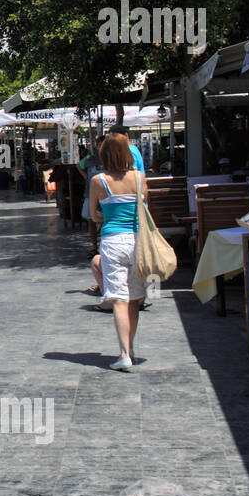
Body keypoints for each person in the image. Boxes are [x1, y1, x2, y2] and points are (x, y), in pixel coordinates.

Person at [90, 133, 148, 371]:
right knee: (134, 300)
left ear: (103, 154)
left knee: (119, 299)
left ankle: (124, 354)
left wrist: (106, 213)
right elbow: (145, 210)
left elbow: (94, 215)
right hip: (137, 242)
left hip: (113, 241)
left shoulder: (98, 181)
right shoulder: (139, 178)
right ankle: (130, 347)